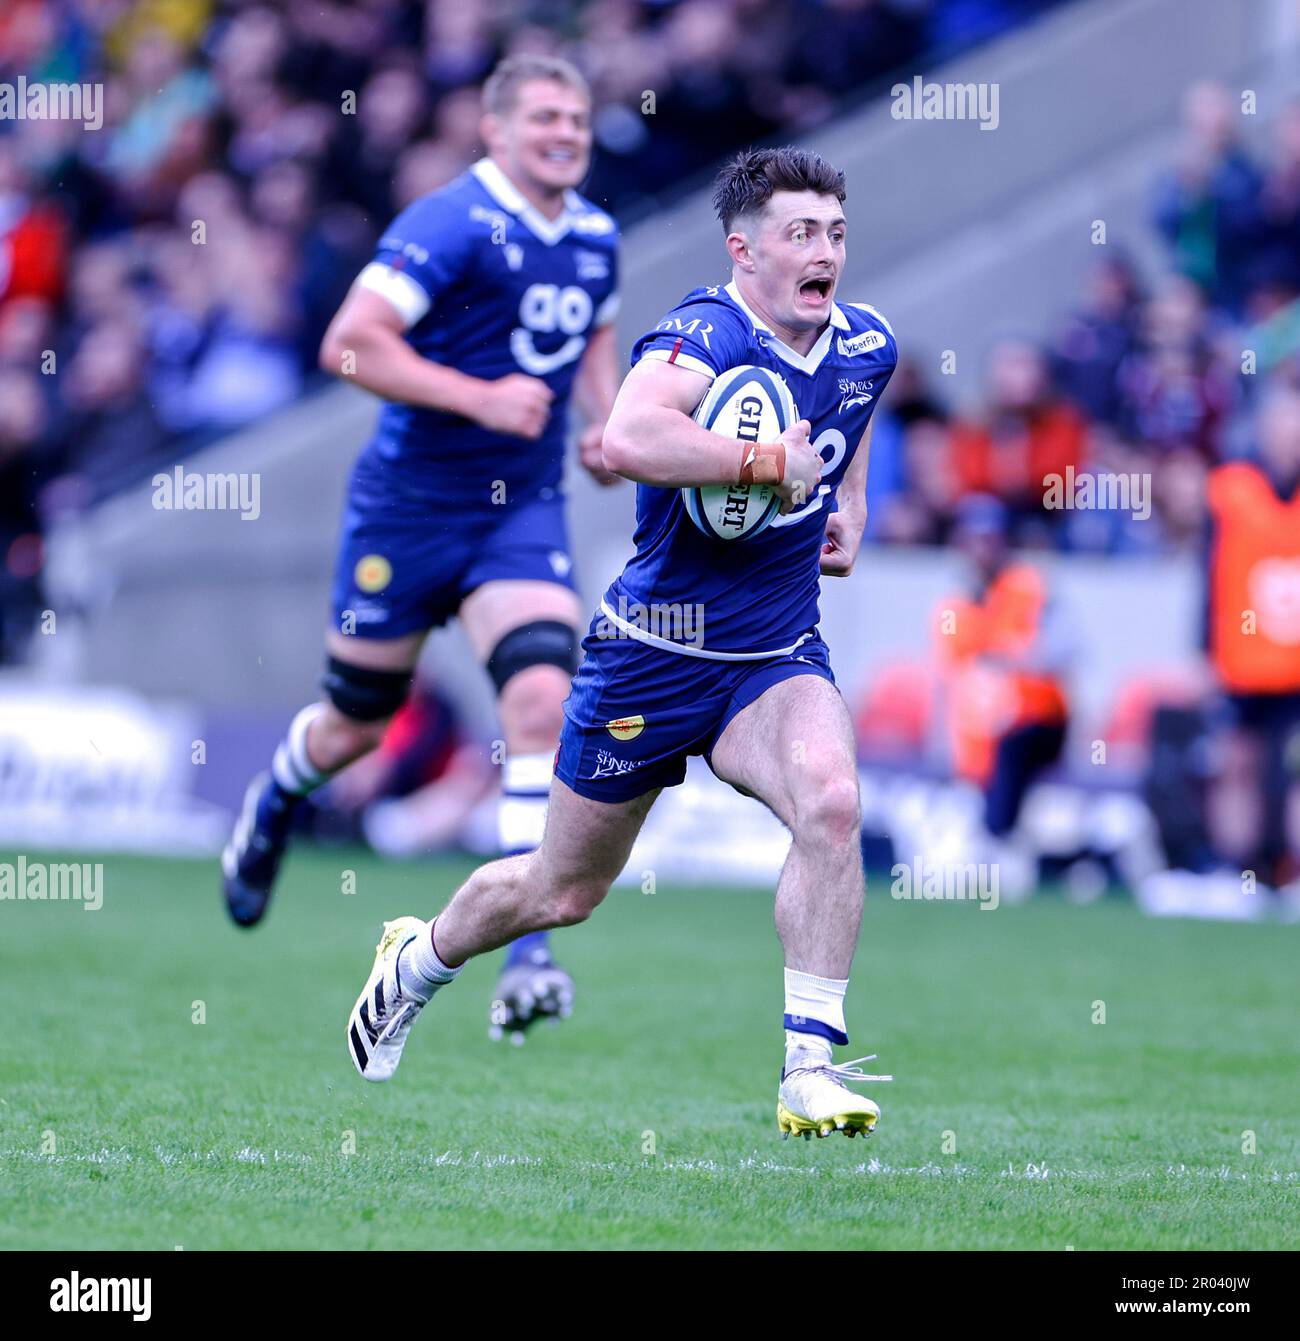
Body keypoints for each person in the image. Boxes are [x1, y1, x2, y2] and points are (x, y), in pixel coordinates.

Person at [344, 146, 900, 1142]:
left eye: (838, 233)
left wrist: (850, 503)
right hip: (649, 655)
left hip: (772, 655)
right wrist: (760, 459)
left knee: (832, 800)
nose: (826, 252)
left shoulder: (866, 345)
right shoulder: (698, 334)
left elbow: (849, 417)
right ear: (743, 249)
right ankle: (417, 960)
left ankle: (808, 1067)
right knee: (559, 892)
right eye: (800, 234)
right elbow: (627, 440)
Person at [221, 55, 621, 1042]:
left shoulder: (598, 239)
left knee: (539, 696)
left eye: (576, 118)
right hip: (406, 512)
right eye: (543, 119)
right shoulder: (450, 221)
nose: (565, 133)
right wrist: (477, 397)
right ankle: (274, 799)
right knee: (355, 725)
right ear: (493, 132)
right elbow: (348, 344)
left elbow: (595, 377)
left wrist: (608, 436)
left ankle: (528, 949)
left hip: (517, 512)